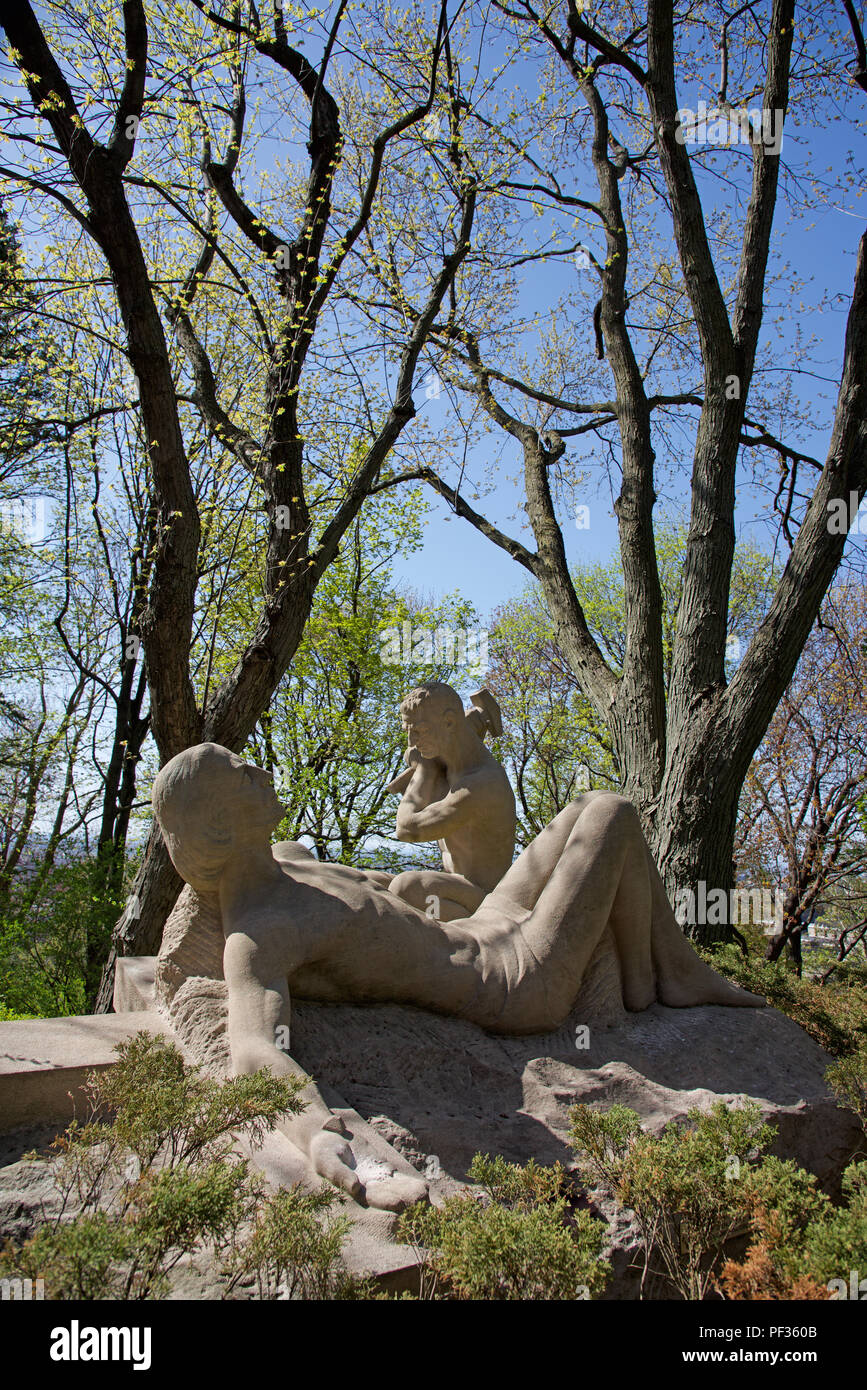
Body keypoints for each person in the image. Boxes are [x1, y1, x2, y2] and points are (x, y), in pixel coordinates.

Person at [152, 743, 764, 1203]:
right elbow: (255, 1048)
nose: (261, 771)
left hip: (482, 929)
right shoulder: (261, 933)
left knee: (584, 806)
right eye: (241, 775)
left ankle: (651, 978)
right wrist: (324, 1138)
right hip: (516, 983)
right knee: (612, 813)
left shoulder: (287, 861)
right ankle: (662, 981)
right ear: (219, 826)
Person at [386, 682, 516, 920]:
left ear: (448, 722)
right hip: (454, 887)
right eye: (409, 731)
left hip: (487, 902)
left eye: (419, 731)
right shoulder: (449, 768)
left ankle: (452, 945)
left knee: (406, 889)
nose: (411, 742)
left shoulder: (482, 783)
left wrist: (424, 769)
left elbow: (406, 829)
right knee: (363, 883)